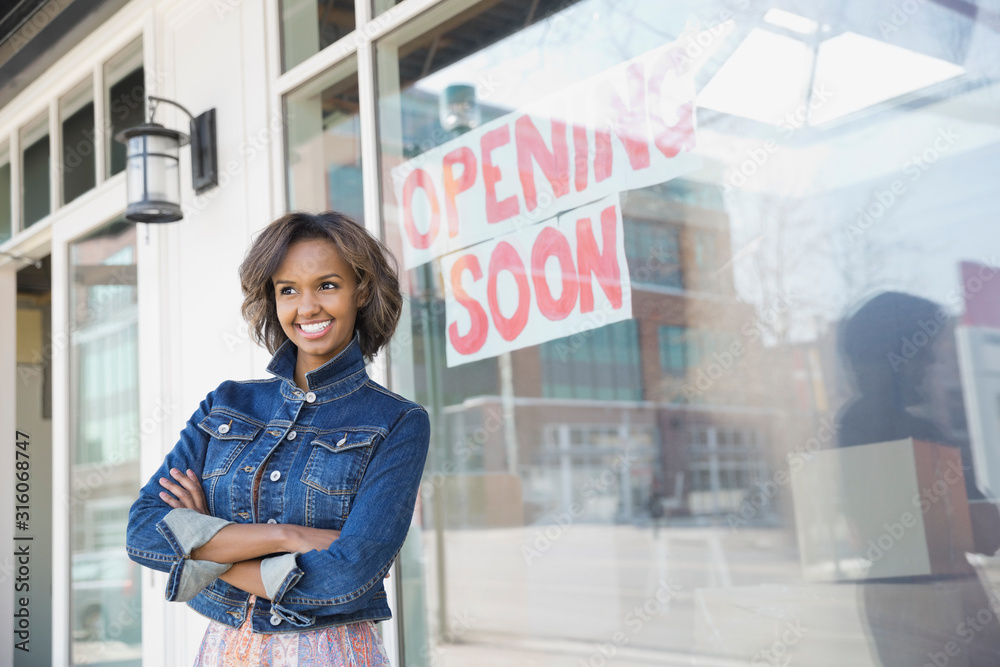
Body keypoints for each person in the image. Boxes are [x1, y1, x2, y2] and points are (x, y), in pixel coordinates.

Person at [125, 211, 431, 666]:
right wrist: (289, 535)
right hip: (227, 648)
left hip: (327, 650)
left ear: (361, 290)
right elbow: (144, 532)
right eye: (288, 290)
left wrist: (206, 547)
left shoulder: (397, 421)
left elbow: (344, 576)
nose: (306, 308)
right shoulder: (226, 404)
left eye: (327, 285)